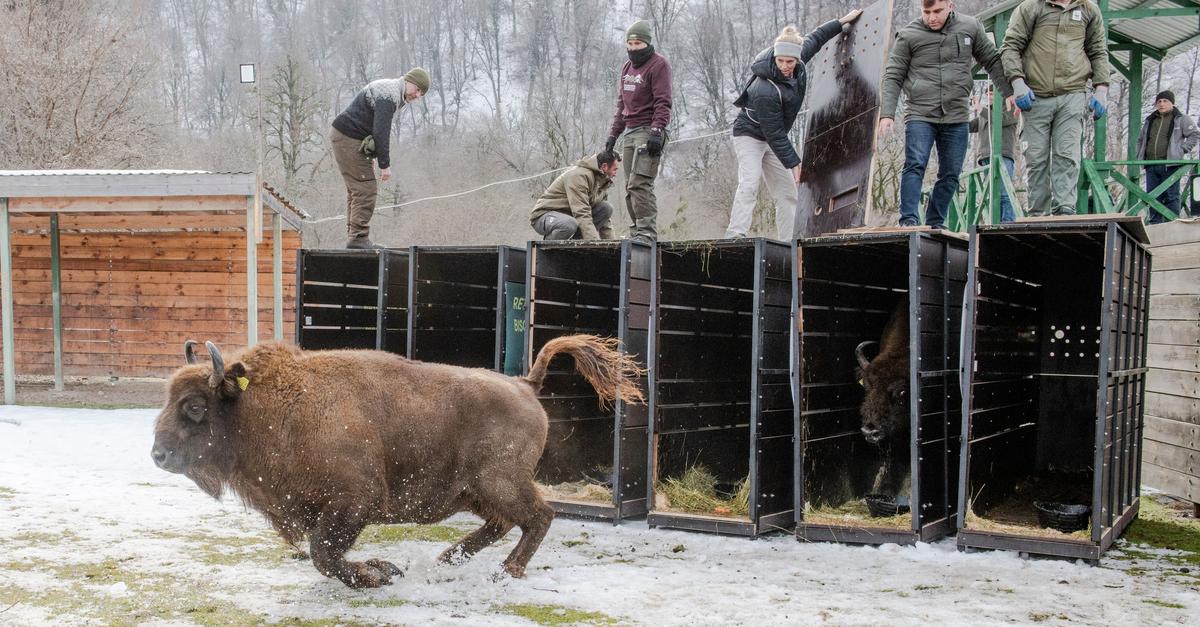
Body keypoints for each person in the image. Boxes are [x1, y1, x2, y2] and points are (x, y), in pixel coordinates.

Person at [724, 10, 864, 241]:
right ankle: (735, 232)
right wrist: (794, 163)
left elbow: (817, 37)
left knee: (788, 192)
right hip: (749, 135)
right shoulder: (764, 89)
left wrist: (841, 22)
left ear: (798, 58)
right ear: (775, 58)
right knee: (750, 182)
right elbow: (775, 134)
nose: (785, 66)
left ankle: (789, 240)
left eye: (790, 62)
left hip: (773, 139)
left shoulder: (797, 59)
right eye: (780, 61)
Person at [878, 0, 1011, 229]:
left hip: (956, 113)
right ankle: (908, 219)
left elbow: (992, 60)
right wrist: (887, 113)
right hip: (920, 112)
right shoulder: (909, 35)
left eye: (937, 11)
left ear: (950, 5)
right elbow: (893, 75)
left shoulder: (970, 27)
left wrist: (1008, 92)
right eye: (926, 12)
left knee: (951, 173)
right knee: (915, 164)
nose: (932, 18)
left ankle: (935, 221)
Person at [1001, 0, 1110, 217]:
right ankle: (1038, 212)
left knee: (1067, 153)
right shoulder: (1030, 8)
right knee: (1036, 157)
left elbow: (1098, 50)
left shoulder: (1088, 10)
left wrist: (1101, 89)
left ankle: (1065, 208)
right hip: (1035, 95)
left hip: (1073, 93)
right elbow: (1011, 46)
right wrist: (1017, 82)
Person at [330, 68, 430, 249]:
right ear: (409, 81)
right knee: (365, 187)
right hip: (348, 137)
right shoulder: (389, 95)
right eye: (418, 89)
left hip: (347, 136)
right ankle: (358, 239)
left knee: (356, 189)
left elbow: (372, 125)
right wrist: (385, 164)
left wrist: (372, 154)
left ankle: (355, 237)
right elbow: (381, 132)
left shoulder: (391, 90)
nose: (418, 95)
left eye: (421, 93)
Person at [605, 20, 672, 244]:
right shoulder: (626, 67)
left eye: (638, 43)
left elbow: (663, 101)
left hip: (648, 130)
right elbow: (621, 105)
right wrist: (613, 136)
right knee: (628, 186)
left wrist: (656, 130)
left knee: (640, 183)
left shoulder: (658, 65)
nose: (633, 48)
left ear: (647, 43)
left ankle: (647, 233)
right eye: (630, 43)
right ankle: (636, 232)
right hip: (630, 132)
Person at [1135, 90, 1200, 224]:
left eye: (1165, 101)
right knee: (1152, 196)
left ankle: (1173, 223)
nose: (1161, 104)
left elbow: (1194, 135)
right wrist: (1139, 155)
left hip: (1171, 165)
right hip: (1151, 165)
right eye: (1159, 101)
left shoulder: (1181, 118)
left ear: (1172, 103)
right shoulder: (1150, 120)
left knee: (1172, 196)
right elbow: (1140, 140)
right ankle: (1155, 225)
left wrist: (1182, 150)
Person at [529, 151, 620, 240]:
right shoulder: (579, 176)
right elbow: (582, 212)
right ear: (604, 166)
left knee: (607, 208)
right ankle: (548, 250)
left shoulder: (602, 182)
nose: (615, 174)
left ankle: (577, 244)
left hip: (571, 216)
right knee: (568, 224)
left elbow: (605, 221)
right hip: (544, 215)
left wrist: (613, 249)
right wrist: (594, 242)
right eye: (614, 169)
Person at [968, 87, 1020, 223]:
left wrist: (981, 109)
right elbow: (969, 126)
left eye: (992, 94)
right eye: (987, 94)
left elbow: (1000, 120)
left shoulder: (1011, 108)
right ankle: (994, 221)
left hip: (1003, 155)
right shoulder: (985, 113)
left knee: (1004, 192)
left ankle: (1007, 221)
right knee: (991, 194)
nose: (989, 97)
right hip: (985, 156)